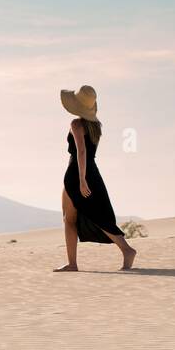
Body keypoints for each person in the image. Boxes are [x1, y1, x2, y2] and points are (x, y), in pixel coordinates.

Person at [54, 85, 137, 271]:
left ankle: (73, 263)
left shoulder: (76, 124)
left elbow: (81, 152)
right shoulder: (95, 127)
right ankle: (125, 250)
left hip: (77, 172)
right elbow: (88, 154)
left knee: (69, 218)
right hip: (93, 171)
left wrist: (82, 180)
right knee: (98, 215)